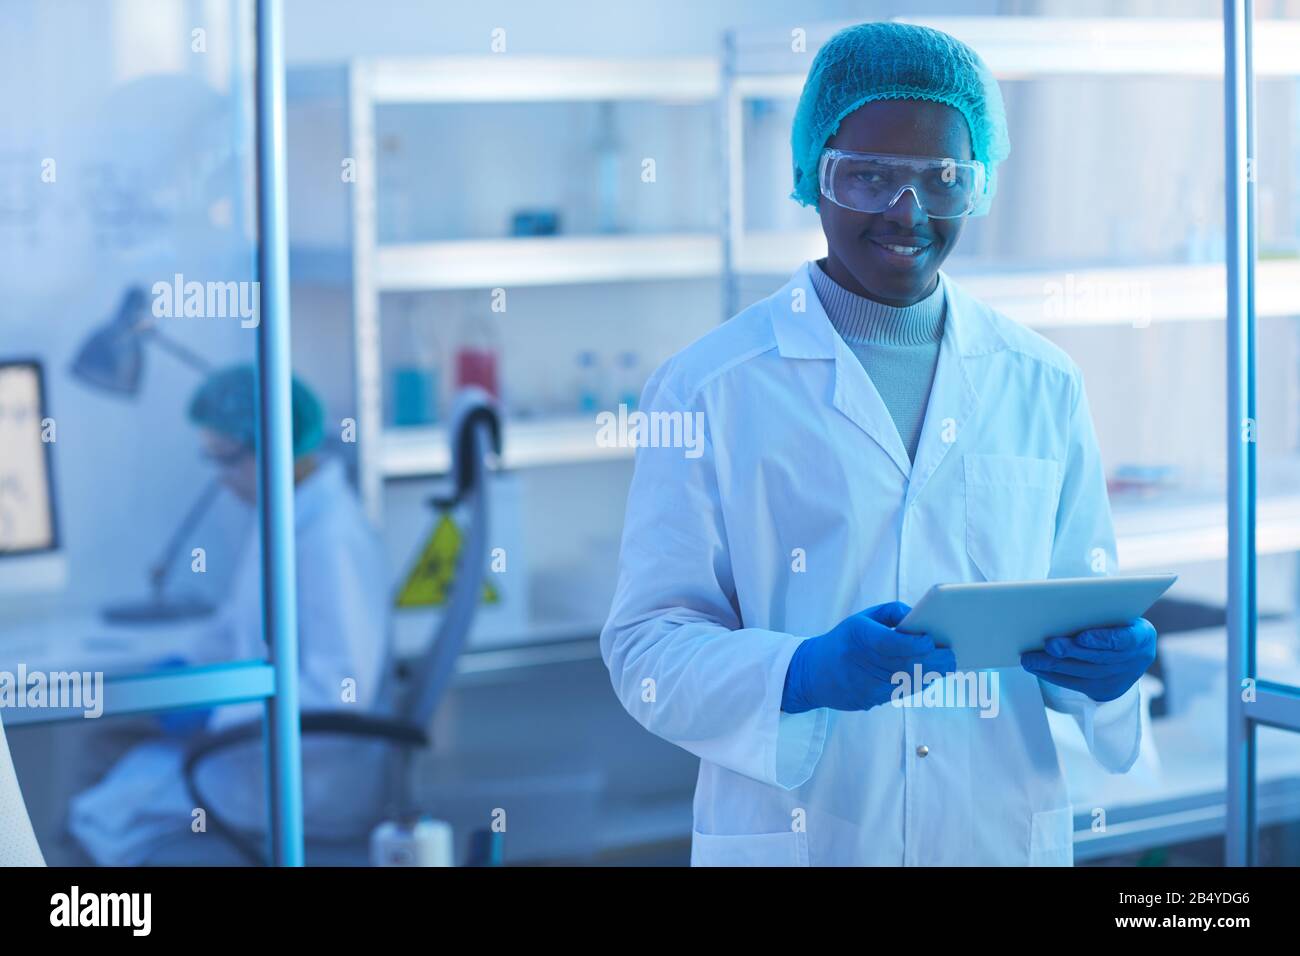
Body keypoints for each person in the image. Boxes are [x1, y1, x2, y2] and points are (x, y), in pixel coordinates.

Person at [601, 21, 1157, 866]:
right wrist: (800, 672)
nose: (908, 212)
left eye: (942, 178)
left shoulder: (1041, 381)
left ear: (978, 183)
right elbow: (647, 643)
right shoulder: (709, 387)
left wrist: (1110, 678)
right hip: (806, 835)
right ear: (811, 178)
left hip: (994, 835)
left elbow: (1074, 611)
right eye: (868, 177)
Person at [70, 365, 391, 865]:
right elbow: (235, 626)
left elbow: (338, 695)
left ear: (268, 448)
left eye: (224, 460)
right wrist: (183, 668)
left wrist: (216, 713)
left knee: (106, 812)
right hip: (258, 749)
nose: (220, 479)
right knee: (104, 767)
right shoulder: (286, 513)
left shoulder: (329, 539)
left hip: (309, 776)